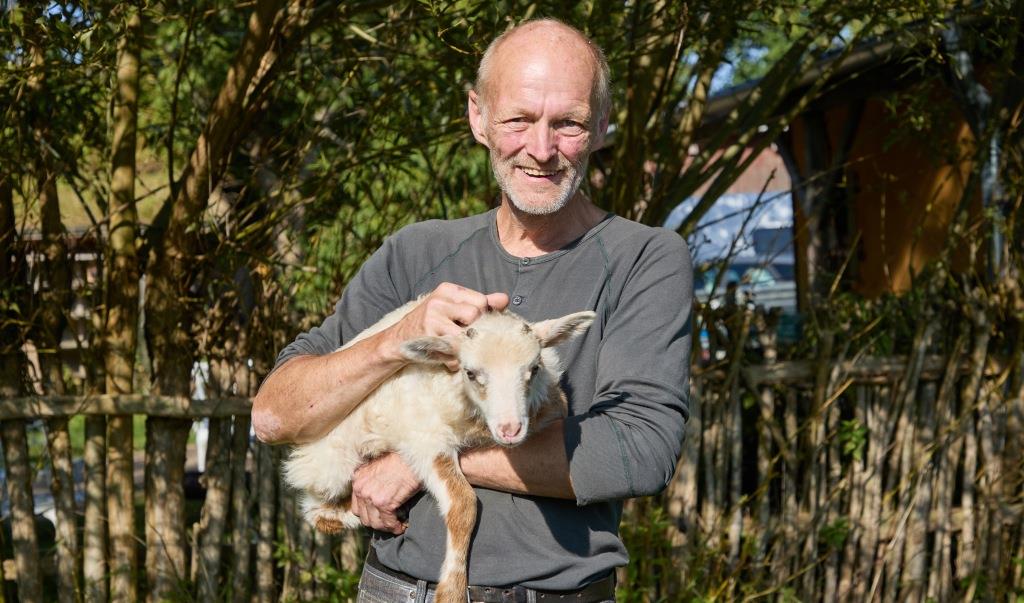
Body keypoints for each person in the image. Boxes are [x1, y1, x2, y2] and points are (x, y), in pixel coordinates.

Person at [252, 18, 692, 603]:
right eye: (518, 119)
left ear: (602, 126)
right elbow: (275, 416)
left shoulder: (646, 258)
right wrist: (397, 338)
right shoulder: (418, 252)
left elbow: (640, 452)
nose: (541, 149)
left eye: (569, 124)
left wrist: (425, 456)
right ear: (477, 117)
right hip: (394, 590)